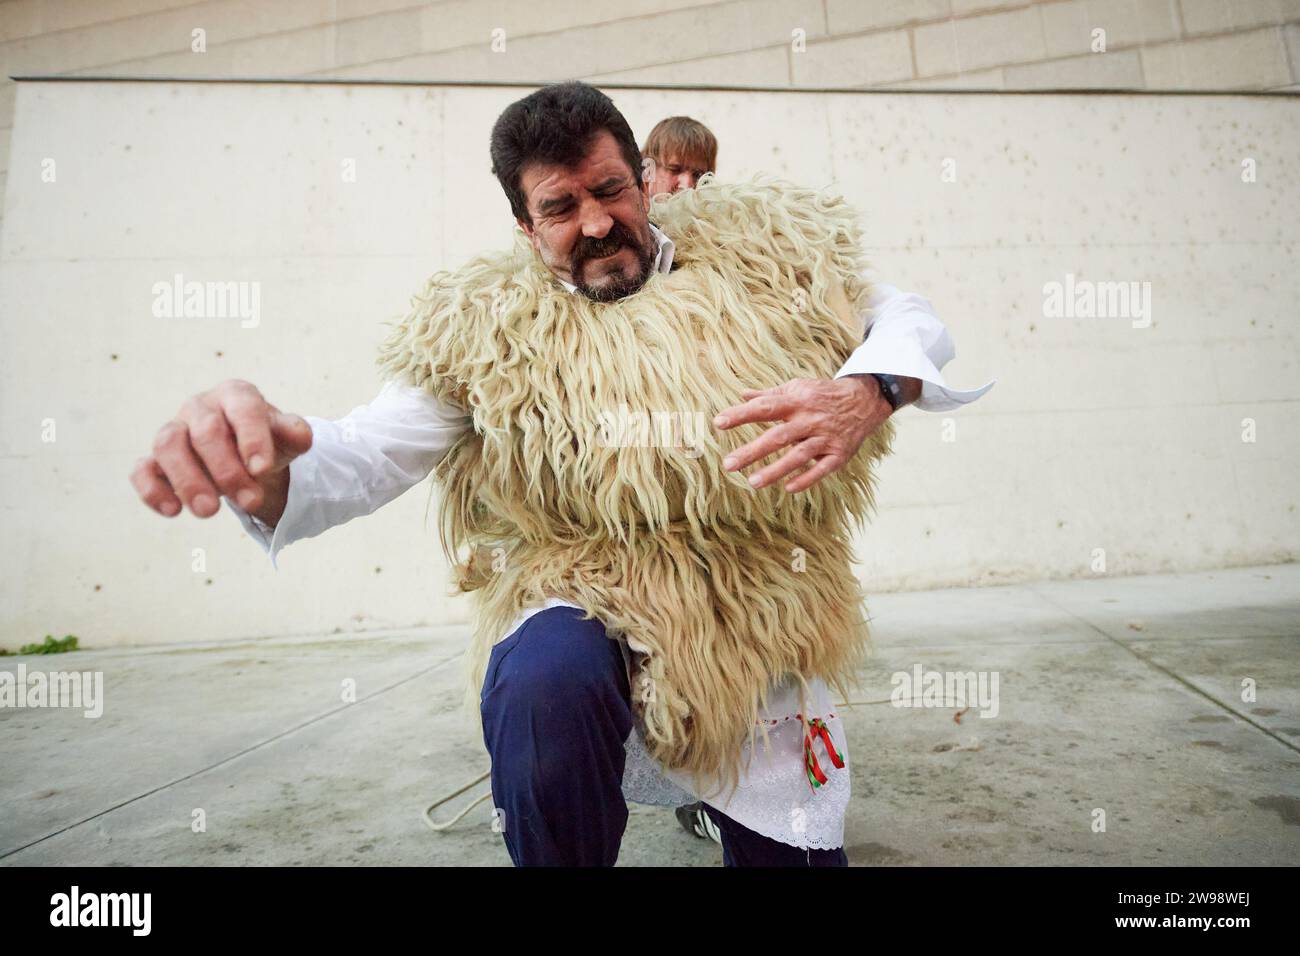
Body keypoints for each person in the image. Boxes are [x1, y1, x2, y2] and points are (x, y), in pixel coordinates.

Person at [130, 81, 993, 867]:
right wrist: (274, 460)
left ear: (645, 182)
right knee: (544, 682)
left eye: (610, 189)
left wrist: (868, 389)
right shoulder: (484, 328)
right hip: (580, 578)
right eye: (560, 206)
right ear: (524, 225)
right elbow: (369, 450)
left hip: (755, 598)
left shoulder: (761, 260)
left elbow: (904, 315)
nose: (593, 223)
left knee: (795, 852)